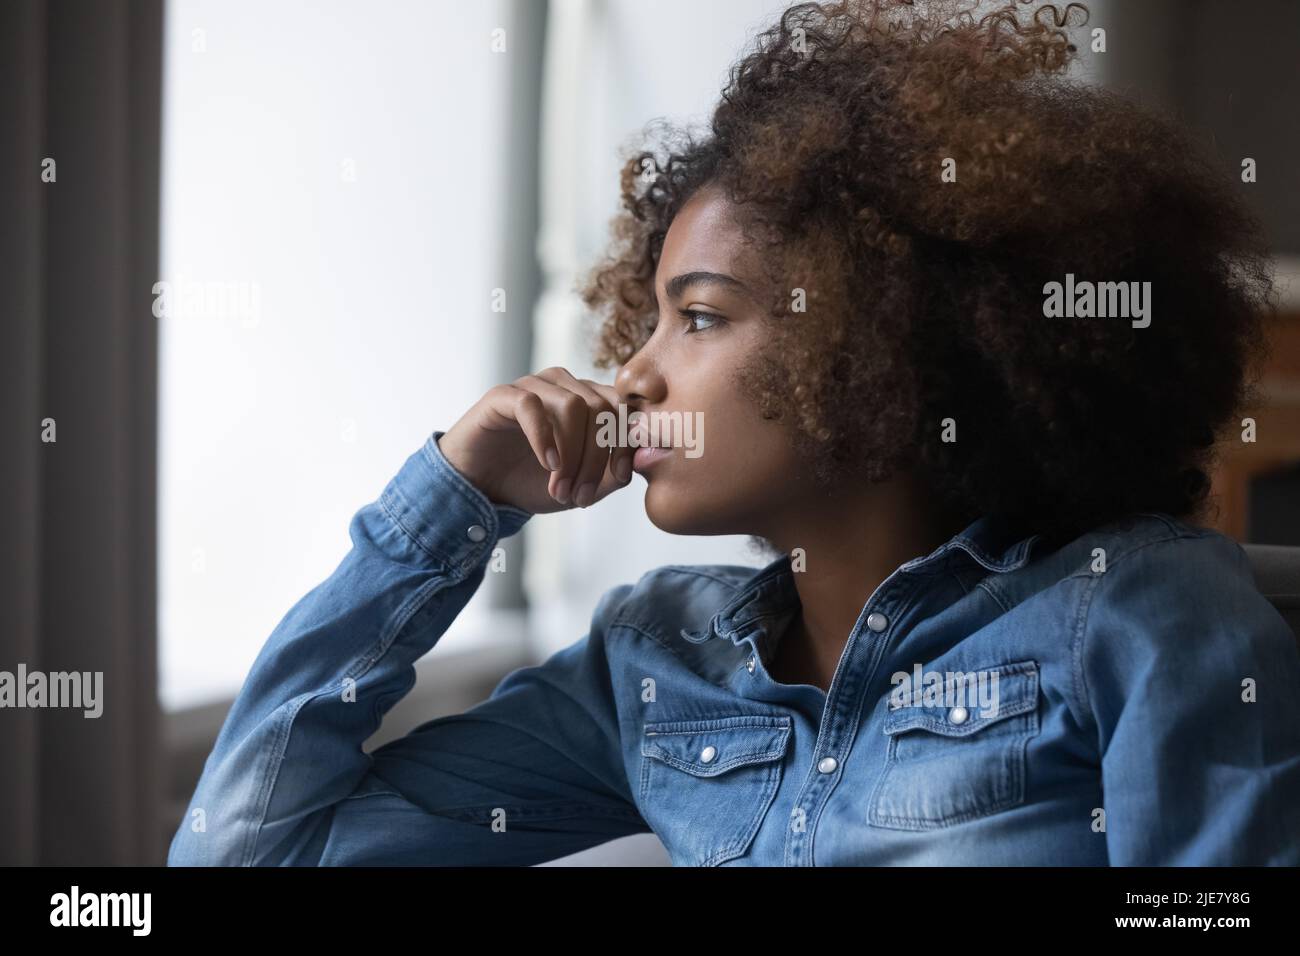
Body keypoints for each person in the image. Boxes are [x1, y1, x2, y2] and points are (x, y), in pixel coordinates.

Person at [167, 0, 1300, 866]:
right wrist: (454, 500)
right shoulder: (653, 668)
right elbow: (250, 847)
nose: (635, 370)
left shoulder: (1137, 606)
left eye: (699, 315)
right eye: (649, 313)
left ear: (884, 349)